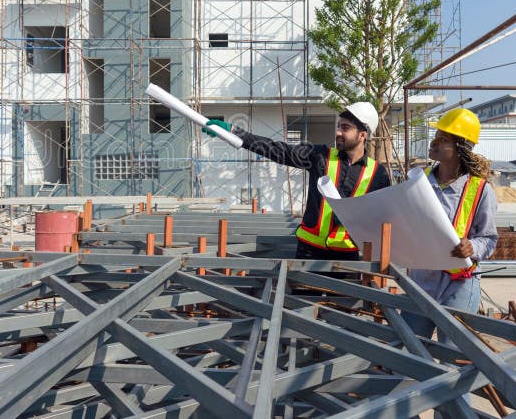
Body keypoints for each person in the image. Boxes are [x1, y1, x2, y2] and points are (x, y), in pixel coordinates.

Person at [204, 102, 391, 261]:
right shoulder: (320, 156)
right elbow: (278, 150)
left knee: (341, 305)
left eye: (345, 128)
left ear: (363, 134)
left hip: (347, 256)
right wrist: (236, 133)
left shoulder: (378, 174)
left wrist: (355, 220)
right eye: (339, 126)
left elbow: (382, 219)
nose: (338, 132)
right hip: (308, 251)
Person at [402, 108, 498, 341]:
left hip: (460, 285)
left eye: (443, 139)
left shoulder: (481, 190)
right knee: (411, 350)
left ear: (461, 148)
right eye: (436, 137)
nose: (434, 143)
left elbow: (489, 239)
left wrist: (472, 247)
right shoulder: (417, 180)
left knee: (453, 355)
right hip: (420, 281)